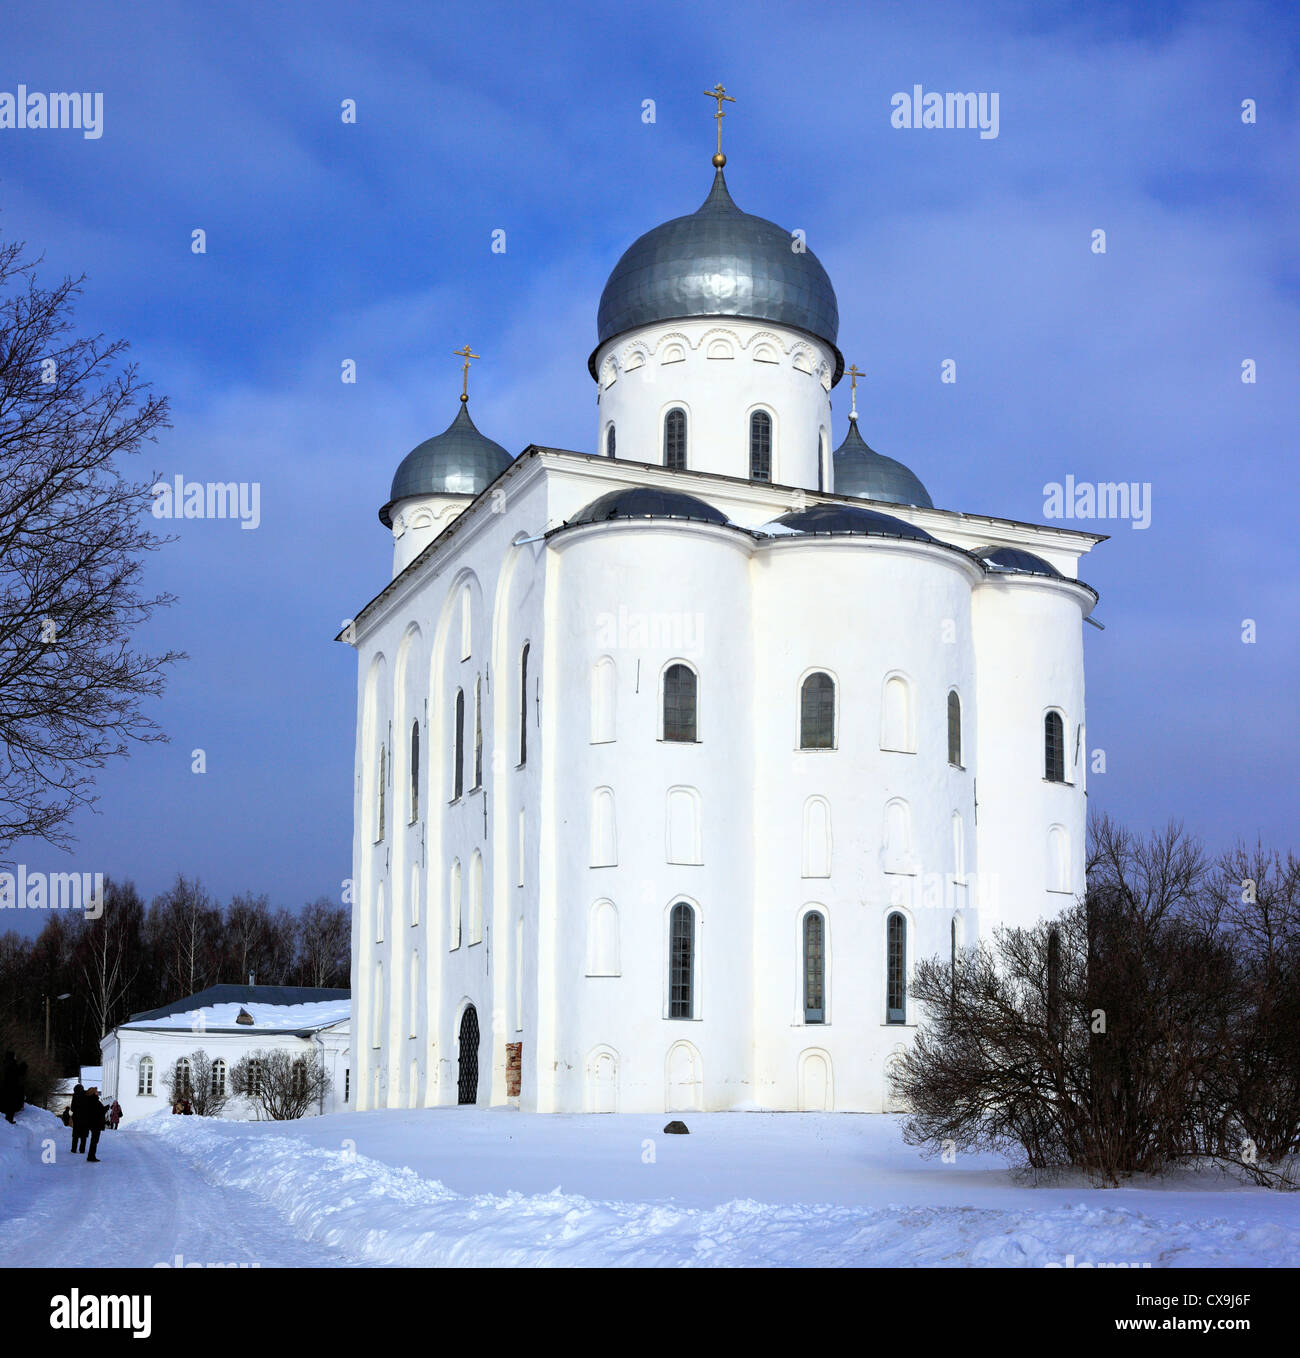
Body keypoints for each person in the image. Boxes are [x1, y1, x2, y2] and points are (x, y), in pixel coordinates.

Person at [85, 1088, 107, 1163]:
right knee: (94, 1140)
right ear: (93, 1093)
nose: (97, 1092)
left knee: (94, 1140)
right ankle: (91, 1156)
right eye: (96, 1091)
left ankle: (91, 1156)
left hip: (94, 1123)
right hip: (95, 1123)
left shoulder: (92, 1100)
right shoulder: (93, 1100)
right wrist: (105, 1109)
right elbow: (97, 1112)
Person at [69, 1083, 90, 1154]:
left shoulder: (75, 1096)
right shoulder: (87, 1095)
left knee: (75, 1135)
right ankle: (82, 1150)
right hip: (85, 1118)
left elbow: (72, 1108)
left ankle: (74, 1149)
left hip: (77, 1118)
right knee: (83, 1135)